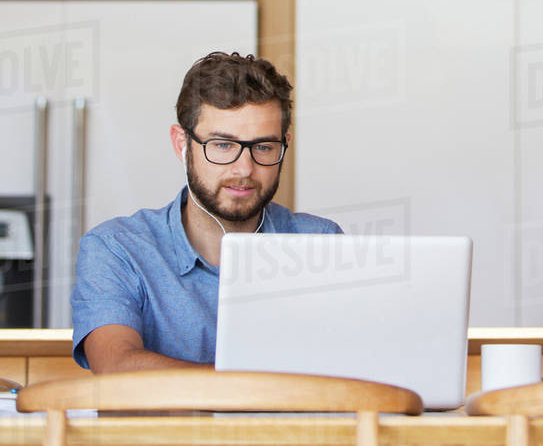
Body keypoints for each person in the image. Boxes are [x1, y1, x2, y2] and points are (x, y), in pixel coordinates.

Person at [71, 51, 341, 373]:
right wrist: (258, 385)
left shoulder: (321, 243)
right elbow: (117, 368)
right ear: (181, 144)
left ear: (285, 144)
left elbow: (351, 372)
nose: (245, 169)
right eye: (223, 145)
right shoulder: (117, 248)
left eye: (264, 147)